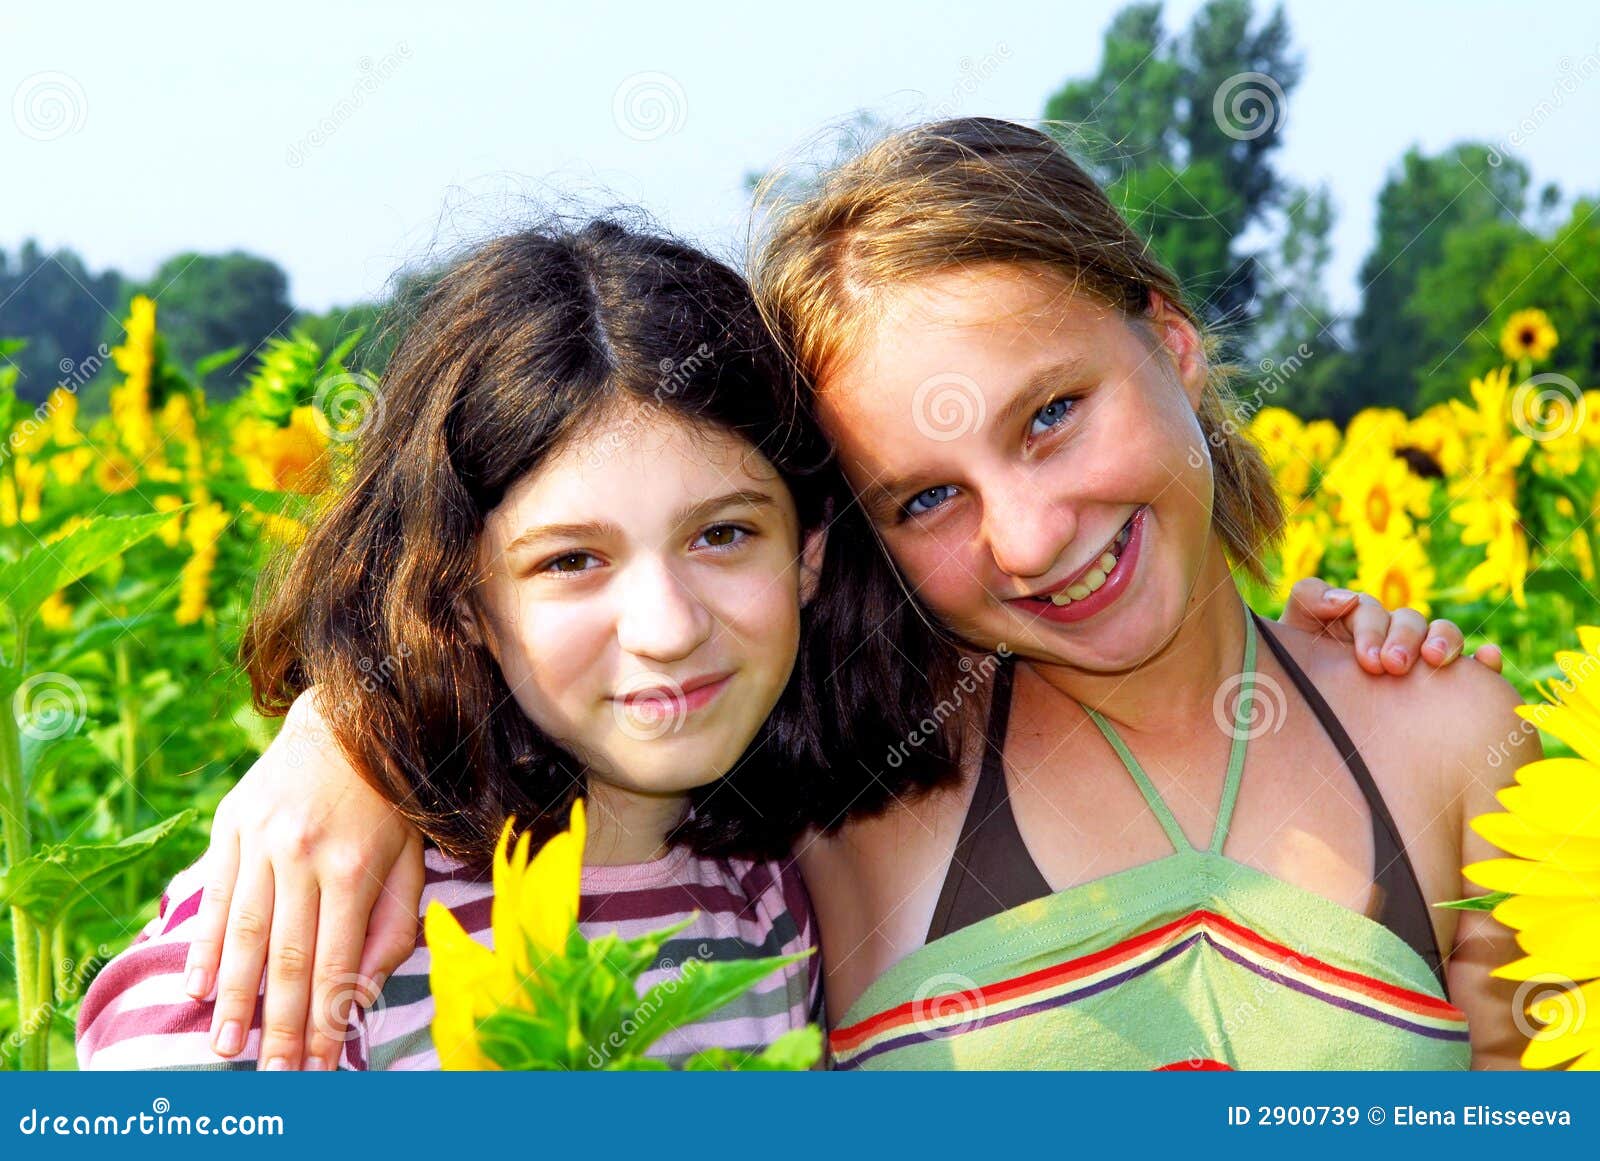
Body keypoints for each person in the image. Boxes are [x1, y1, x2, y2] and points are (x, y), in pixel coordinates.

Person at [133, 126, 1511, 1071]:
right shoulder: (855, 785)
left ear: (1168, 335)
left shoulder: (1442, 729)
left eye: (1051, 416)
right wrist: (350, 738)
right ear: (849, 541)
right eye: (924, 497)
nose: (1030, 536)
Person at [77, 219, 863, 1068]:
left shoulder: (769, 904)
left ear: (810, 552)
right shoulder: (335, 899)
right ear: (457, 598)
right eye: (571, 559)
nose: (669, 627)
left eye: (723, 534)